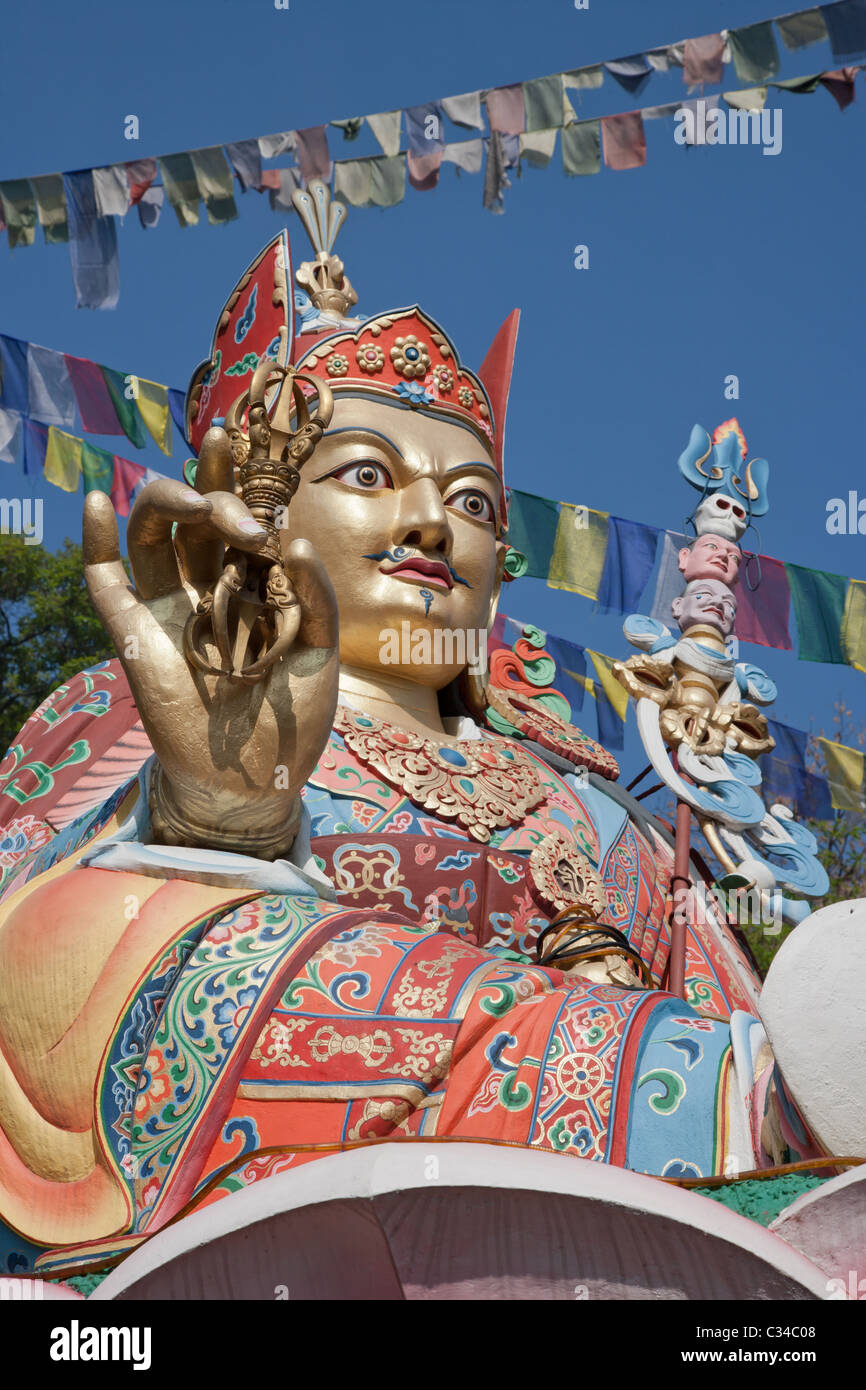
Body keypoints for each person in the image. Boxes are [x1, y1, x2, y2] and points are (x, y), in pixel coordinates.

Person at [0, 207, 814, 1280]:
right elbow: (37, 944)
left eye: (472, 499)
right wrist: (214, 820)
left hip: (671, 1167)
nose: (433, 523)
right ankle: (672, 1104)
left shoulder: (596, 811)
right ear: (253, 516)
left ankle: (710, 1116)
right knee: (127, 936)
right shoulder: (145, 701)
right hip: (307, 1149)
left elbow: (745, 1018)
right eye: (368, 476)